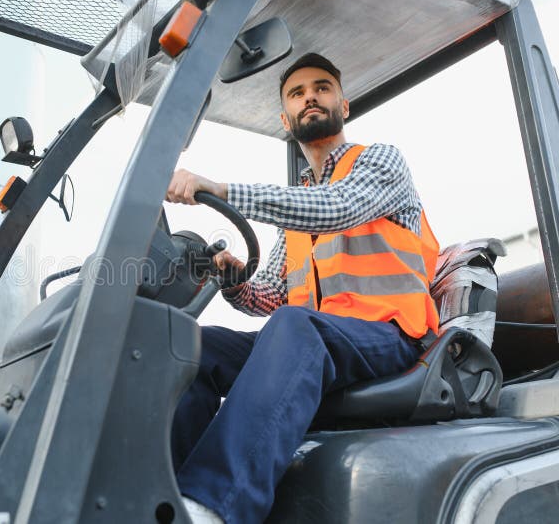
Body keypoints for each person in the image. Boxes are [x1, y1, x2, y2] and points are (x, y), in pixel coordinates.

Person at [165, 53, 440, 524]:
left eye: (322, 87)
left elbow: (337, 207)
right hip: (319, 340)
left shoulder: (378, 163)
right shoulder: (296, 214)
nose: (309, 96)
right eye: (297, 93)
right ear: (285, 118)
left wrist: (223, 189)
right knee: (192, 345)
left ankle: (212, 506)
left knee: (295, 327)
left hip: (391, 337)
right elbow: (270, 297)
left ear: (344, 105)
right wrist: (234, 283)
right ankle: (168, 493)